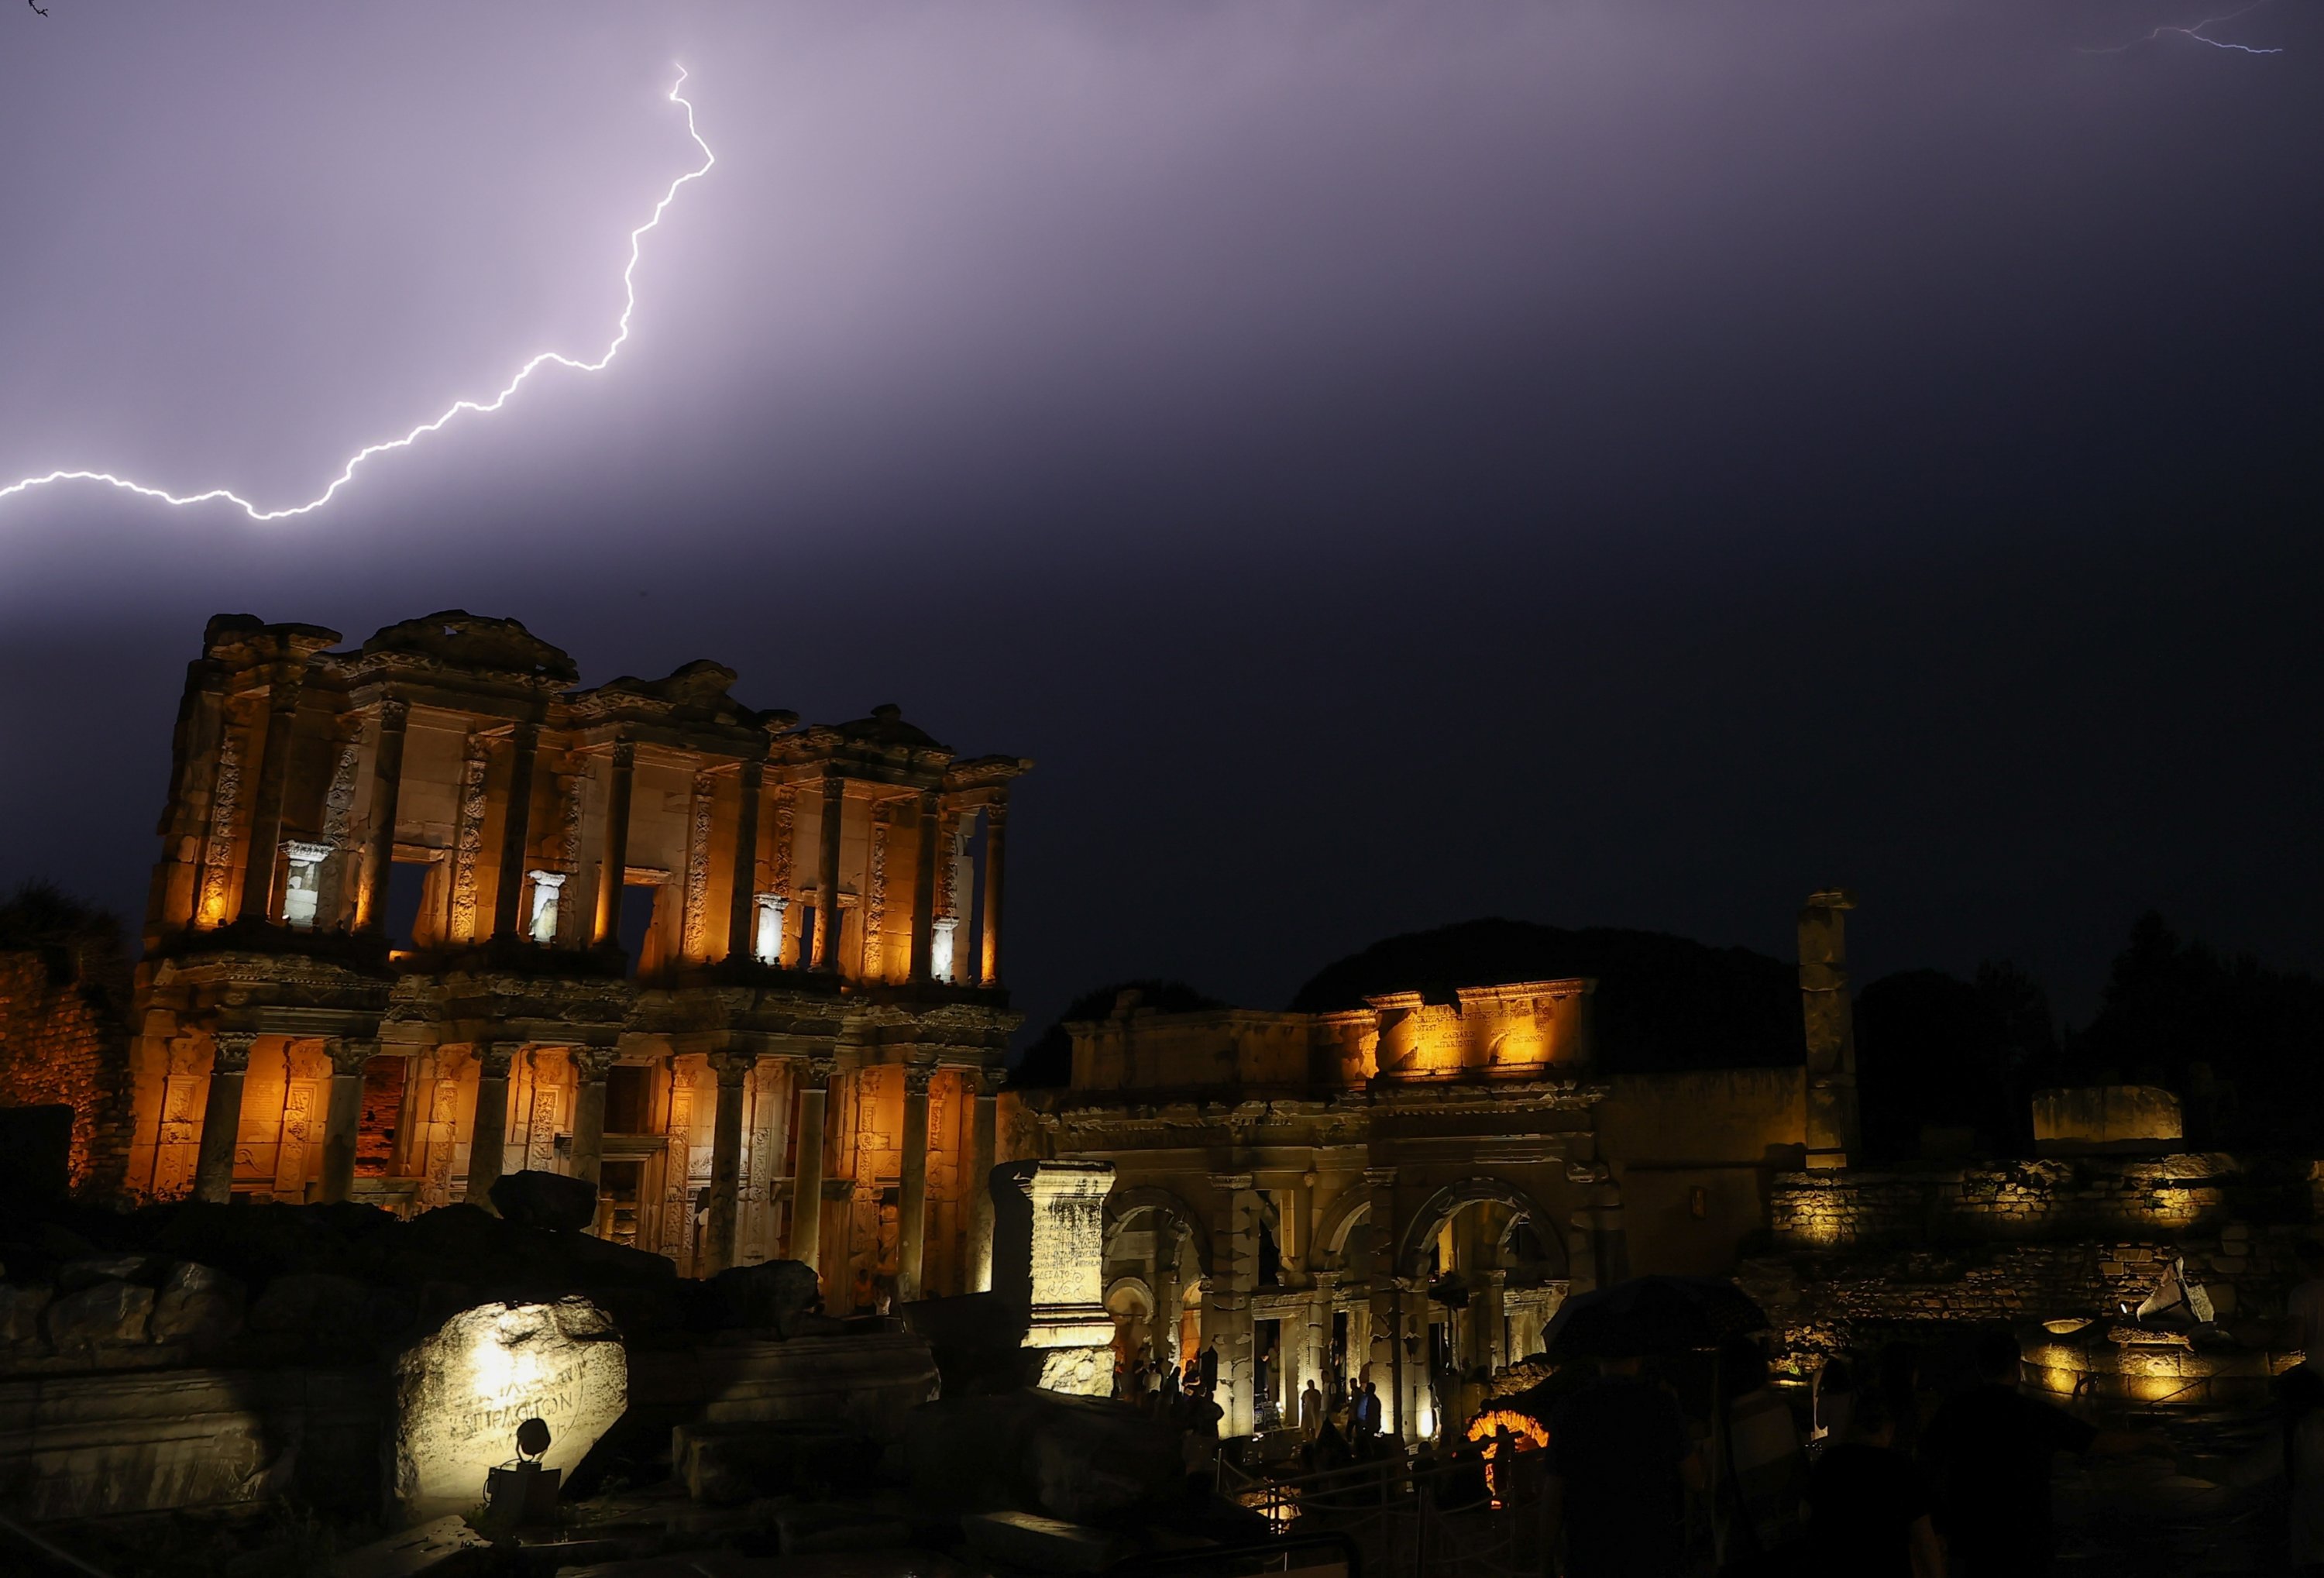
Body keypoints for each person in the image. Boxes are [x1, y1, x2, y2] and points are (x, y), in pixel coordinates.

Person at [1921, 1327, 2160, 1578]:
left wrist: (1936, 1523)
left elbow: (1928, 1460)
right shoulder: (2034, 1413)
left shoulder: (1954, 1412)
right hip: (2026, 1537)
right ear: (2016, 1369)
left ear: (1980, 1367)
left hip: (1970, 1534)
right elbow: (2097, 1441)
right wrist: (2147, 1440)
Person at [1545, 1353, 1701, 1578]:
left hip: (1590, 1553)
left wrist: (1545, 1561)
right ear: (1638, 1357)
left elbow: (1554, 1494)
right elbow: (1696, 1479)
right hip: (1653, 1550)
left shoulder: (1570, 1409)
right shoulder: (1661, 1405)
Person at [1804, 1388, 1944, 1578]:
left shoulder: (1829, 1462)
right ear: (1889, 1427)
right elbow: (1924, 1537)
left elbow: (1807, 1515)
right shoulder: (1900, 1468)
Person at [1713, 1336, 1807, 1572]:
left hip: (1743, 1545)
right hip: (1787, 1538)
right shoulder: (1782, 1411)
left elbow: (1720, 1495)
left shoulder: (1725, 1425)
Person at [1300, 1377, 1325, 1442]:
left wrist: (1319, 1407)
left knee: (1314, 1424)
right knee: (1307, 1424)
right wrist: (1303, 1408)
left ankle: (1313, 1437)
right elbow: (1303, 1401)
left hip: (1315, 1410)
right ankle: (1308, 1437)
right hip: (1307, 1410)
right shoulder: (1306, 1393)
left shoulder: (1317, 1392)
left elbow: (1319, 1400)